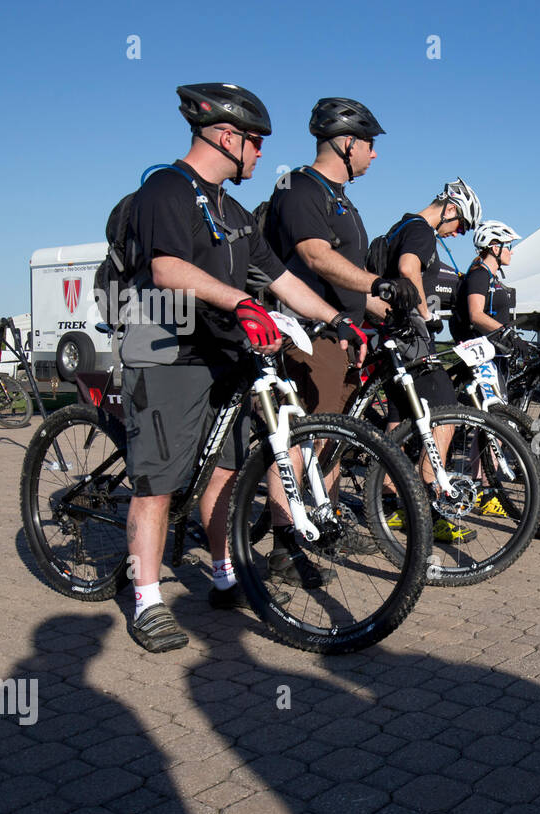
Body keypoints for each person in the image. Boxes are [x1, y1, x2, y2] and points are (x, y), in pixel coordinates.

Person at [122, 83, 364, 653]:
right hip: (168, 350)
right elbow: (165, 268)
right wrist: (239, 302)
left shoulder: (234, 211)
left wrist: (335, 321)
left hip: (227, 355)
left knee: (228, 471)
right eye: (256, 143)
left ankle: (225, 572)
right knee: (157, 484)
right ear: (226, 136)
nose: (260, 154)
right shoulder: (165, 188)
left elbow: (279, 279)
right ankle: (147, 600)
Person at [262, 97, 413, 584]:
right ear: (347, 142)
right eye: (370, 143)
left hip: (343, 338)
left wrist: (392, 312)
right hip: (307, 335)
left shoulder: (343, 200)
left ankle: (324, 521)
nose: (375, 153)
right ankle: (284, 543)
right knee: (295, 441)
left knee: (332, 438)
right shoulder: (300, 187)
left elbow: (352, 280)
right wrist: (376, 284)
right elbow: (314, 254)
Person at [378, 177, 485, 541]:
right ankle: (427, 506)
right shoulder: (422, 229)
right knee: (443, 411)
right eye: (460, 226)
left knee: (398, 417)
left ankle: (390, 505)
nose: (457, 234)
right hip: (410, 336)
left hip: (390, 336)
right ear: (450, 209)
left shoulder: (400, 226)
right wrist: (427, 314)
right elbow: (409, 269)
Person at [451, 220, 521, 344]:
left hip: (498, 350)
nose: (512, 252)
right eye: (509, 246)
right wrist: (510, 335)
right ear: (495, 249)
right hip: (484, 352)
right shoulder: (479, 275)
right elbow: (476, 315)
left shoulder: (490, 277)